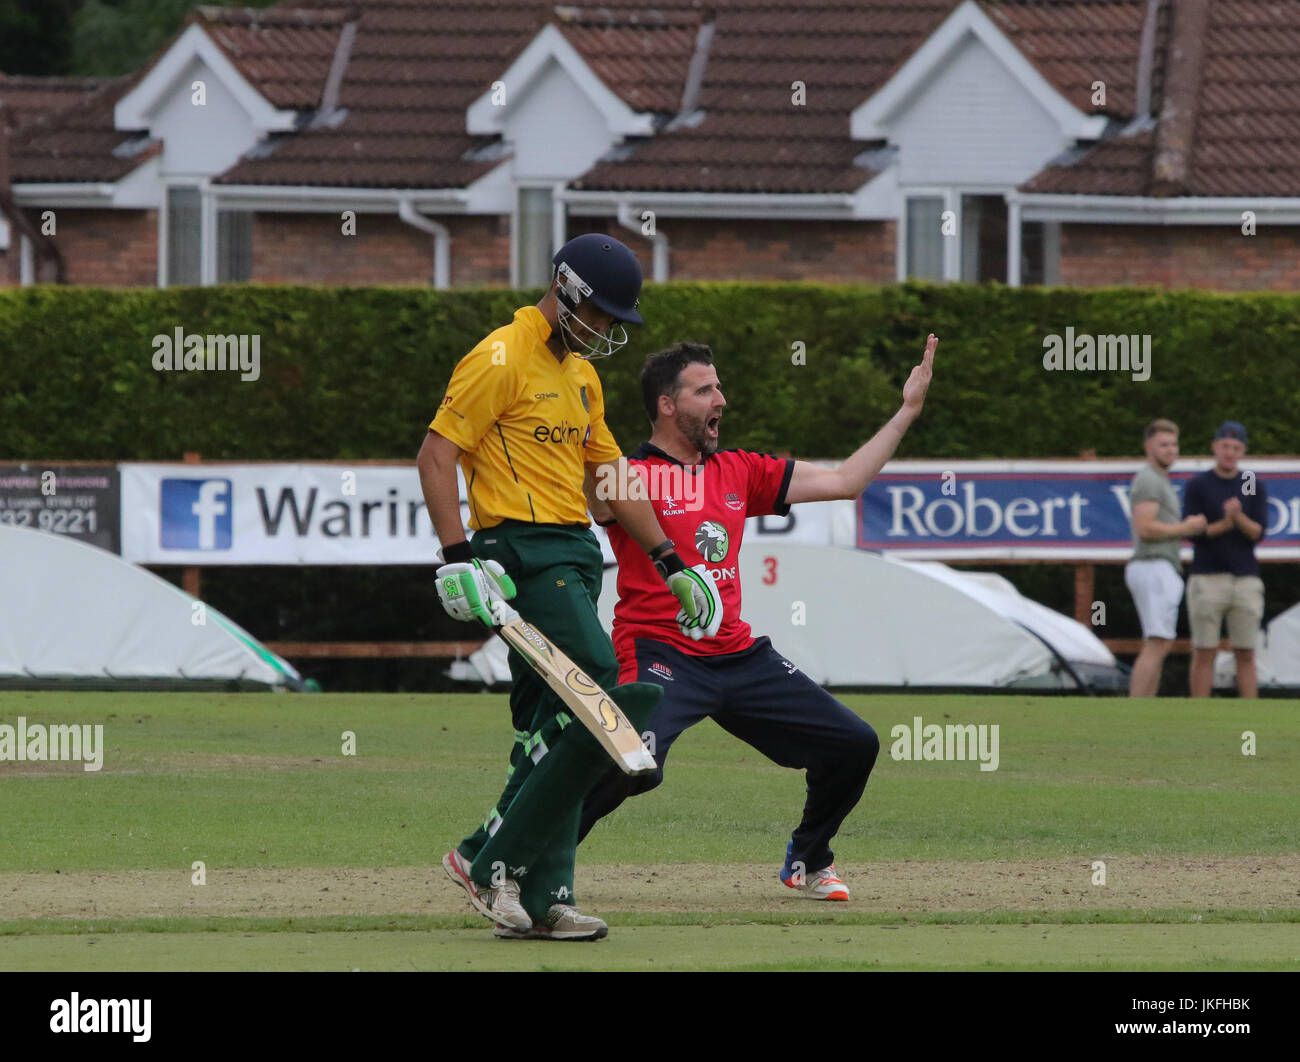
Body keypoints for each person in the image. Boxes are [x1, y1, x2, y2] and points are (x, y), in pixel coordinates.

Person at [417, 233, 724, 940]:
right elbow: (437, 454)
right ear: (566, 290)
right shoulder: (499, 355)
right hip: (520, 552)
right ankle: (483, 858)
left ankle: (543, 893)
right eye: (603, 315)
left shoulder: (582, 375)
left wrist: (671, 563)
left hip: (576, 554)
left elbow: (610, 481)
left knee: (542, 728)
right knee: (597, 689)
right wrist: (458, 556)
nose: (608, 331)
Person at [579, 334, 937, 900]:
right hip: (659, 652)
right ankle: (532, 866)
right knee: (633, 763)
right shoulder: (628, 474)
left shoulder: (741, 469)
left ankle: (809, 860)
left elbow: (847, 482)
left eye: (719, 386)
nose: (721, 398)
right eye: (705, 389)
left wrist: (906, 412)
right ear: (668, 405)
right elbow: (596, 490)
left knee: (855, 743)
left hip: (738, 656)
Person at [1183, 421, 1267, 699]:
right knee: (1204, 649)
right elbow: (1194, 532)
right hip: (1207, 576)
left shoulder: (1253, 483)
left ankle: (1250, 716)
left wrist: (1238, 518)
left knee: (1246, 651)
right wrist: (1226, 522)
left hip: (1245, 578)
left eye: (1235, 447)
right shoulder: (1198, 485)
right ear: (1215, 447)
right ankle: (1200, 715)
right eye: (1225, 446)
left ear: (1243, 450)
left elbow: (1257, 532)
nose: (1229, 452)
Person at [1124, 419, 1206, 697]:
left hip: (1160, 566)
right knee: (1157, 641)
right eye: (1163, 444)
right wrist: (1187, 528)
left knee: (1160, 642)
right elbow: (1145, 528)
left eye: (1174, 444)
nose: (1171, 450)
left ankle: (1146, 710)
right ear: (1148, 447)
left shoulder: (1159, 480)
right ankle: (1137, 710)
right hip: (1153, 564)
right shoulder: (1148, 479)